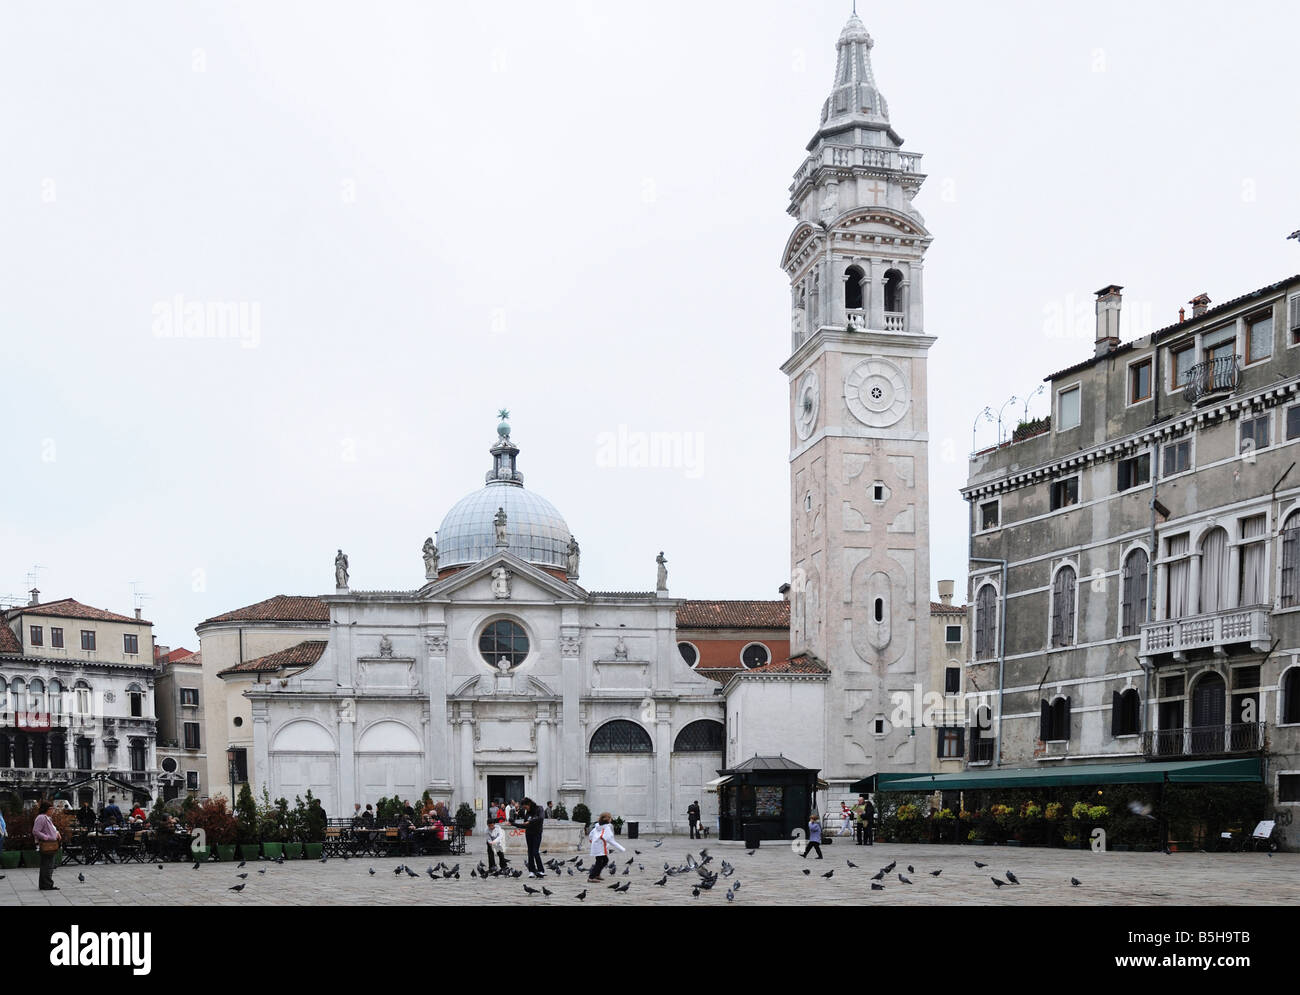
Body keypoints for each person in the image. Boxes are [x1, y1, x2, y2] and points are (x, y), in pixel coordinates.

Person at [587, 812, 626, 882]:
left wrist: (593, 842)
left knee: (604, 860)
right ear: (608, 819)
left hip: (596, 847)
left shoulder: (597, 826)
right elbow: (610, 839)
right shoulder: (607, 828)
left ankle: (597, 874)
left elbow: (590, 835)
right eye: (610, 818)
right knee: (599, 862)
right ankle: (591, 877)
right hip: (600, 848)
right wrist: (621, 848)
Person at [34, 800, 62, 890]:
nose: (53, 810)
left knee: (48, 864)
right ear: (46, 809)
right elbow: (36, 831)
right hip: (47, 844)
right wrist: (46, 837)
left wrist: (56, 833)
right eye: (51, 809)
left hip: (51, 844)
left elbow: (51, 829)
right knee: (48, 865)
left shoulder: (47, 818)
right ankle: (47, 884)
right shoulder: (41, 818)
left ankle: (45, 884)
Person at [514, 797, 545, 878]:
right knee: (530, 852)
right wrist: (513, 824)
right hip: (529, 834)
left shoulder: (539, 809)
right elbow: (524, 825)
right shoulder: (527, 813)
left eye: (525, 807)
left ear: (529, 804)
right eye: (524, 808)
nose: (525, 809)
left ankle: (541, 870)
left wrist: (530, 821)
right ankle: (532, 871)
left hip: (537, 833)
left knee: (535, 851)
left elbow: (540, 818)